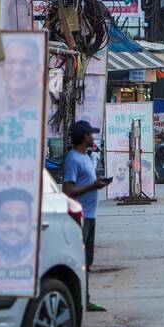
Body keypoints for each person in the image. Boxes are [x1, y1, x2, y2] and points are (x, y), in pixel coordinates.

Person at [62, 120, 112, 312]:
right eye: (91, 134)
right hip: (80, 216)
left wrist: (97, 182)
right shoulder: (73, 159)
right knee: (78, 260)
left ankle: (85, 298)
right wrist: (93, 186)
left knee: (86, 261)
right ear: (84, 137)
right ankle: (77, 300)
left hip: (90, 216)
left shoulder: (86, 158)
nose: (93, 137)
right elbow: (67, 190)